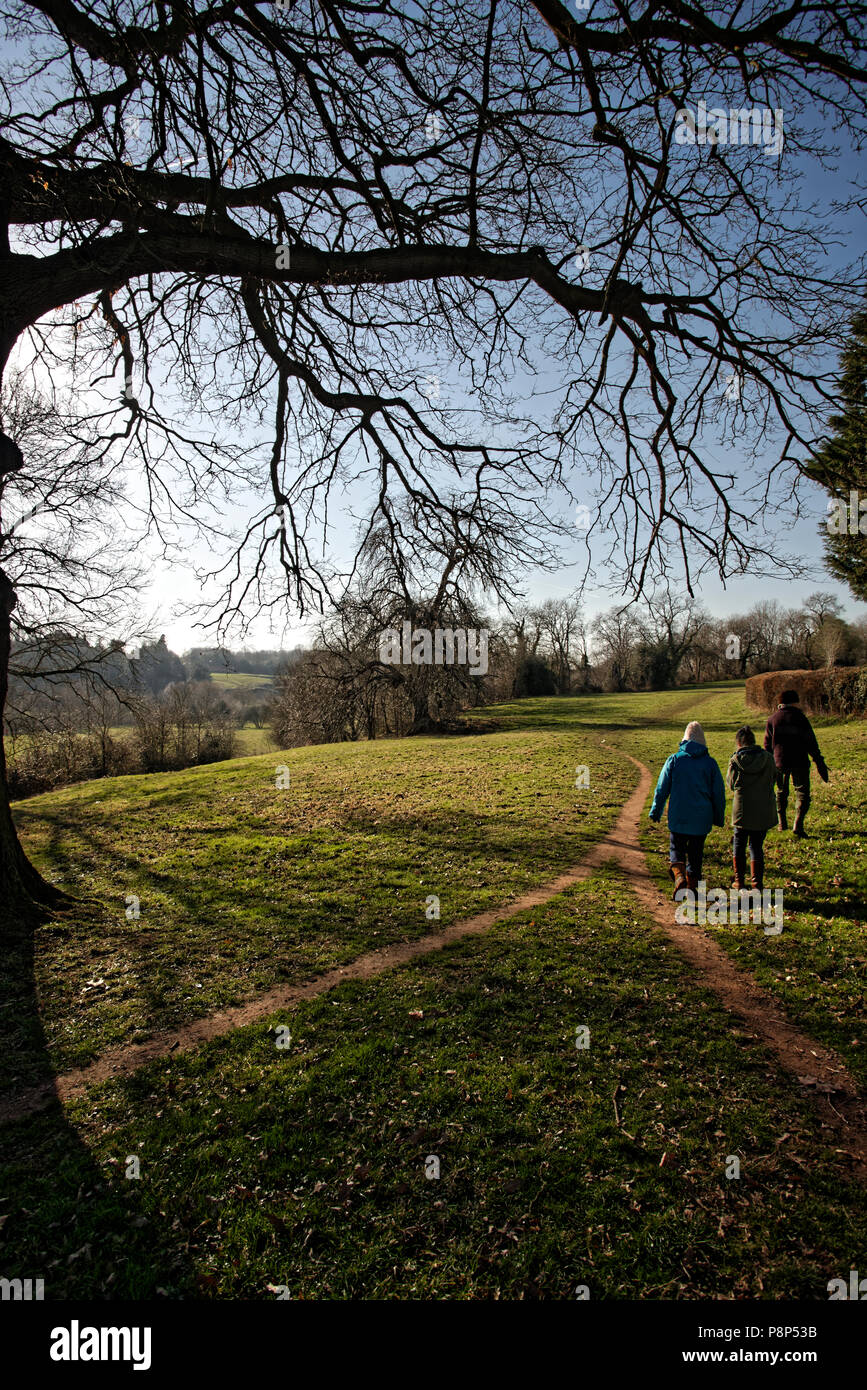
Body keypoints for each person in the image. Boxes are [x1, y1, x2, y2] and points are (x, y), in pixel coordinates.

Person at [649, 720, 726, 899]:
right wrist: (718, 816)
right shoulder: (711, 764)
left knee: (676, 848)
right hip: (702, 818)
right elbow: (719, 794)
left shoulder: (674, 760)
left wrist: (656, 810)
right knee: (696, 853)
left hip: (678, 816)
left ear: (684, 739)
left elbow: (662, 788)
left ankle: (679, 876)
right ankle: (691, 887)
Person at [764, 689, 829, 838]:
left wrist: (768, 763)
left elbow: (767, 746)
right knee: (802, 793)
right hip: (800, 761)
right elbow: (811, 742)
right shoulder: (800, 718)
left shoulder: (772, 719)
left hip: (779, 761)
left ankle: (782, 823)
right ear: (794, 702)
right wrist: (818, 760)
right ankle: (798, 825)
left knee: (781, 793)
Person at [726, 726, 777, 893]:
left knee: (739, 844)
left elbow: (731, 784)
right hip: (762, 809)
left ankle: (739, 881)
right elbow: (776, 779)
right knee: (756, 846)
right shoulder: (768, 759)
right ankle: (757, 884)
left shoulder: (735, 761)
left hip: (742, 809)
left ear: (739, 742)